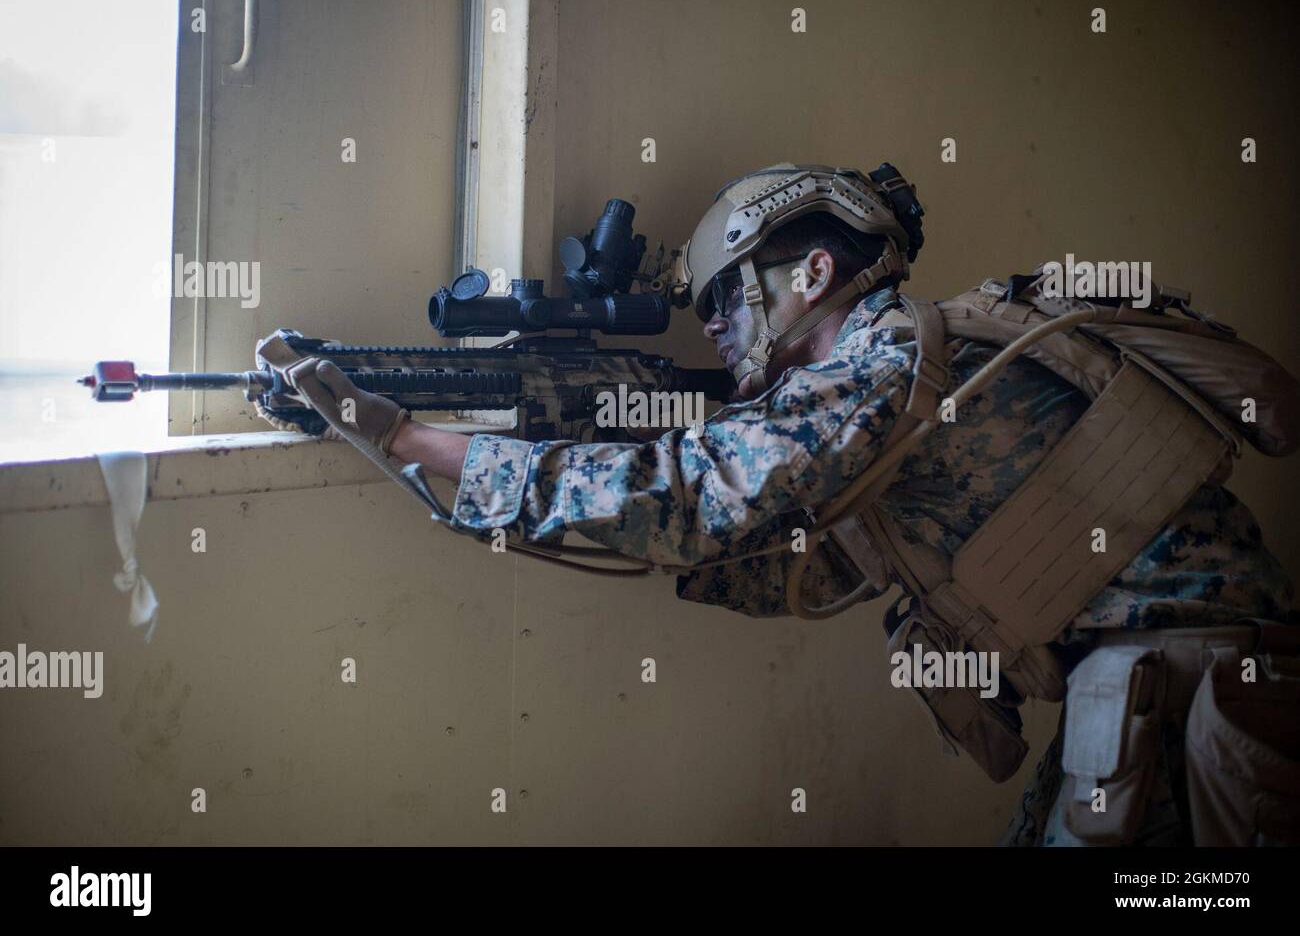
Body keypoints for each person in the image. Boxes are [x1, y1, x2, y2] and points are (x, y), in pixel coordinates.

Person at [262, 163, 1298, 845]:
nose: (713, 324)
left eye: (727, 296)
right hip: (1169, 681)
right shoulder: (906, 396)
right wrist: (600, 453)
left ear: (813, 269)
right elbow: (791, 569)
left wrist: (412, 440)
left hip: (1189, 696)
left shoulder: (888, 358)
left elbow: (700, 499)